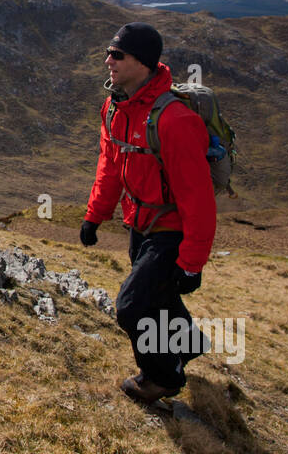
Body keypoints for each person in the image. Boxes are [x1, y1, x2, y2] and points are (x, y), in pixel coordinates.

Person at [79, 22, 216, 403]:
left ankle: (162, 377)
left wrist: (191, 262)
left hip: (171, 231)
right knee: (158, 295)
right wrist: (95, 215)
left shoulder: (175, 121)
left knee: (133, 306)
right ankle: (185, 344)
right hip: (139, 224)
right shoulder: (115, 106)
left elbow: (199, 199)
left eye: (118, 54)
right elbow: (110, 164)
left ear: (143, 62)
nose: (108, 60)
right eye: (109, 52)